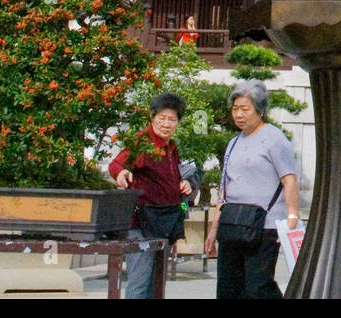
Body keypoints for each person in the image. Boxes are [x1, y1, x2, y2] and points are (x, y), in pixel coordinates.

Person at [205, 80, 300, 298]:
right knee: (228, 288)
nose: (239, 114)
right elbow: (224, 191)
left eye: (245, 109)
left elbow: (289, 180)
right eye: (235, 109)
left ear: (260, 110)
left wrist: (292, 218)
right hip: (232, 224)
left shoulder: (275, 139)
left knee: (258, 287)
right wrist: (214, 228)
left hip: (264, 227)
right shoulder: (233, 143)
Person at [108, 93, 192, 298]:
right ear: (152, 118)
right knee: (141, 282)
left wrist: (184, 183)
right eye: (161, 118)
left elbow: (172, 176)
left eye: (171, 119)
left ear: (178, 122)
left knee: (156, 284)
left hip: (163, 222)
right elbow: (116, 163)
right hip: (141, 223)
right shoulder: (143, 141)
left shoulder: (171, 147)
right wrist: (121, 173)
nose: (166, 124)